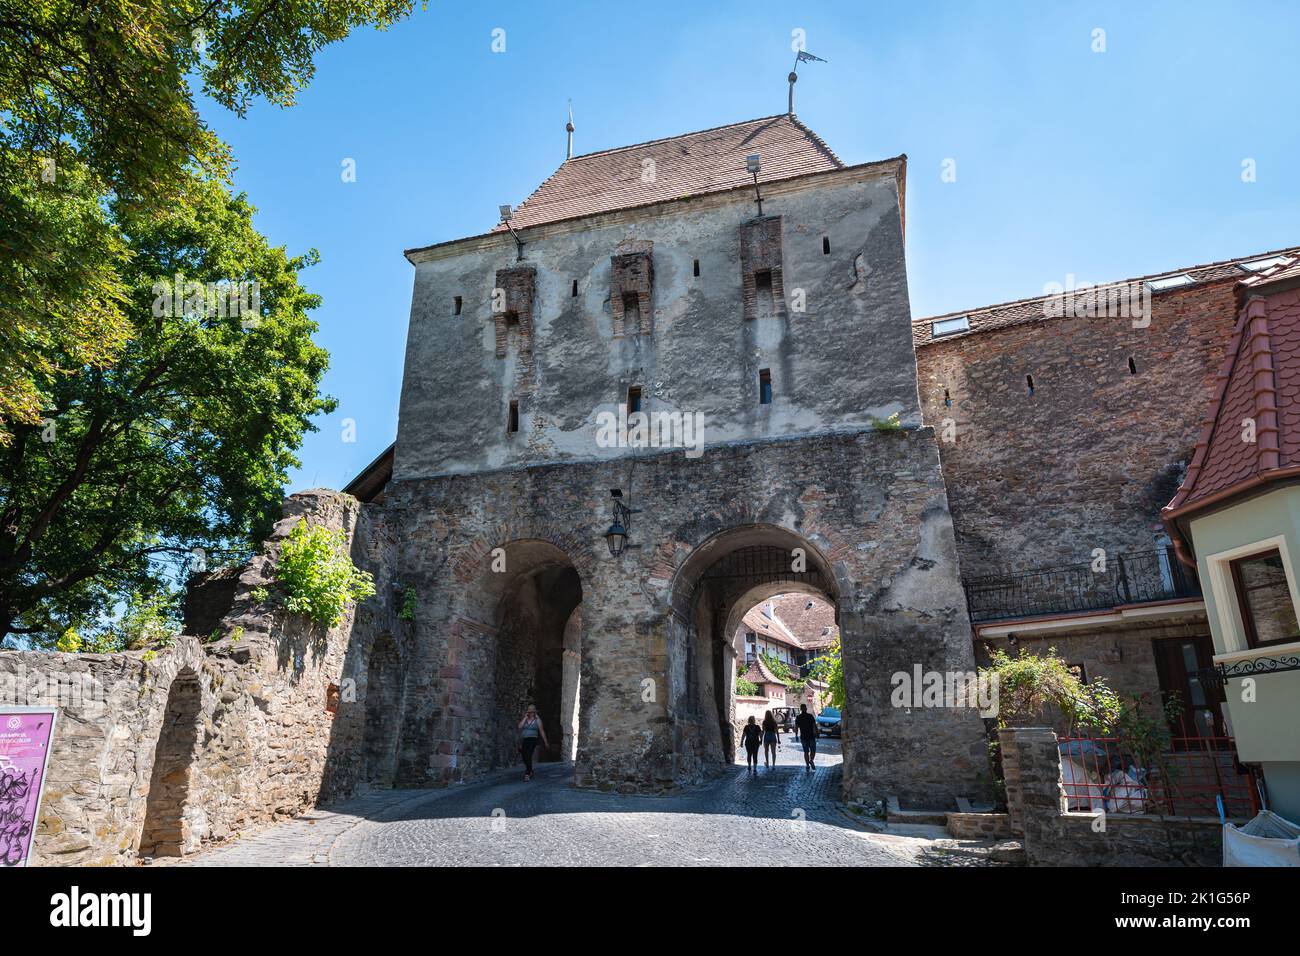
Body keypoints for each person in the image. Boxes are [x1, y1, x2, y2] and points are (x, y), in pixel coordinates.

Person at [517, 703, 549, 781]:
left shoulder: (537, 720)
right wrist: (525, 717)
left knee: (528, 755)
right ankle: (530, 770)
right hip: (525, 739)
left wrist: (546, 742)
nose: (531, 713)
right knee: (524, 756)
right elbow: (519, 726)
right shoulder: (525, 719)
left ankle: (527, 774)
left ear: (534, 712)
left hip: (533, 739)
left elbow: (541, 731)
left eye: (532, 712)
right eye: (529, 712)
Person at [794, 703, 818, 770]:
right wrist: (817, 733)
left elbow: (796, 727)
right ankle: (811, 760)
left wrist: (796, 735)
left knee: (806, 752)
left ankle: (807, 765)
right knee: (813, 750)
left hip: (804, 737)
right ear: (806, 709)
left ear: (801, 709)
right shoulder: (810, 716)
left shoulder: (798, 717)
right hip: (811, 736)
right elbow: (814, 725)